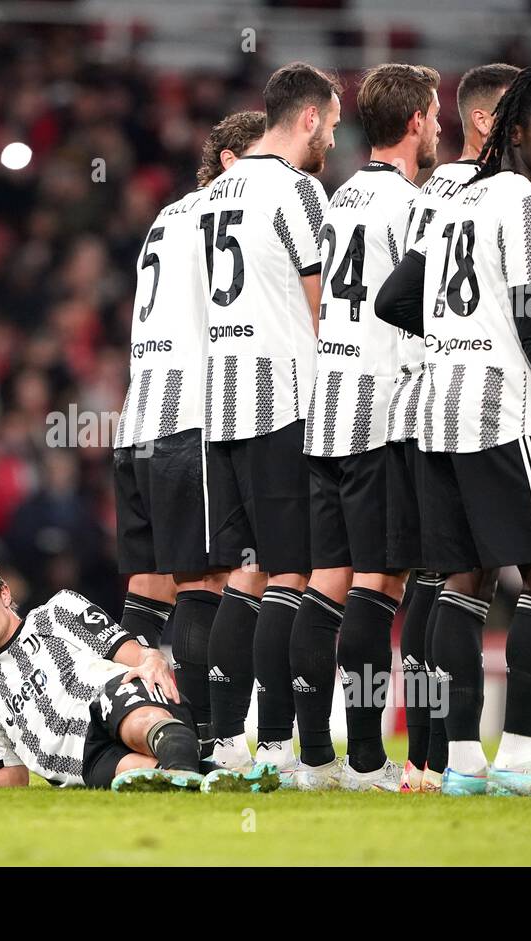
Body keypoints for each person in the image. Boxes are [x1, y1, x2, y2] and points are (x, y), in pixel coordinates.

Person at [376, 66, 531, 798]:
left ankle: (463, 766)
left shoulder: (452, 202)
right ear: (513, 132)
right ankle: (519, 756)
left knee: (460, 583)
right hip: (507, 414)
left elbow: (395, 298)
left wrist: (457, 334)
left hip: (437, 414)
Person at [292, 63, 441, 792]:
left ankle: (313, 757)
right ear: (415, 122)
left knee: (325, 584)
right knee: (378, 587)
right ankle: (366, 760)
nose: (439, 128)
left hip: (327, 408)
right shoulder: (415, 207)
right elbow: (420, 307)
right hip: (382, 413)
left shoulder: (338, 195)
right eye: (436, 116)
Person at [199, 63, 340, 775]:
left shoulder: (208, 198)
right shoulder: (297, 189)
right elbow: (324, 305)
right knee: (293, 574)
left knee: (247, 575)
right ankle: (281, 749)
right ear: (308, 117)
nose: (333, 142)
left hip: (220, 409)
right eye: (333, 126)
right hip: (283, 403)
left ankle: (226, 742)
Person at [113, 109, 265, 759]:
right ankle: (210, 738)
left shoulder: (167, 217)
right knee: (214, 580)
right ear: (230, 161)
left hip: (139, 423)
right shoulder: (223, 219)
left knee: (150, 590)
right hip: (191, 420)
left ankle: (132, 724)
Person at [386, 63, 519, 793]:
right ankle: (438, 758)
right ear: (488, 122)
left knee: (433, 582)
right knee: (451, 582)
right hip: (456, 406)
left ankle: (427, 759)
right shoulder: (483, 192)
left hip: (415, 402)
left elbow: (396, 296)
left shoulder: (429, 190)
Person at [0, 555, 280, 793]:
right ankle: (214, 776)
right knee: (146, 777)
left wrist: (150, 658)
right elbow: (10, 776)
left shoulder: (58, 610)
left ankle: (194, 769)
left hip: (116, 699)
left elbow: (129, 650)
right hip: (84, 762)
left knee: (144, 725)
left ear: (3, 594)